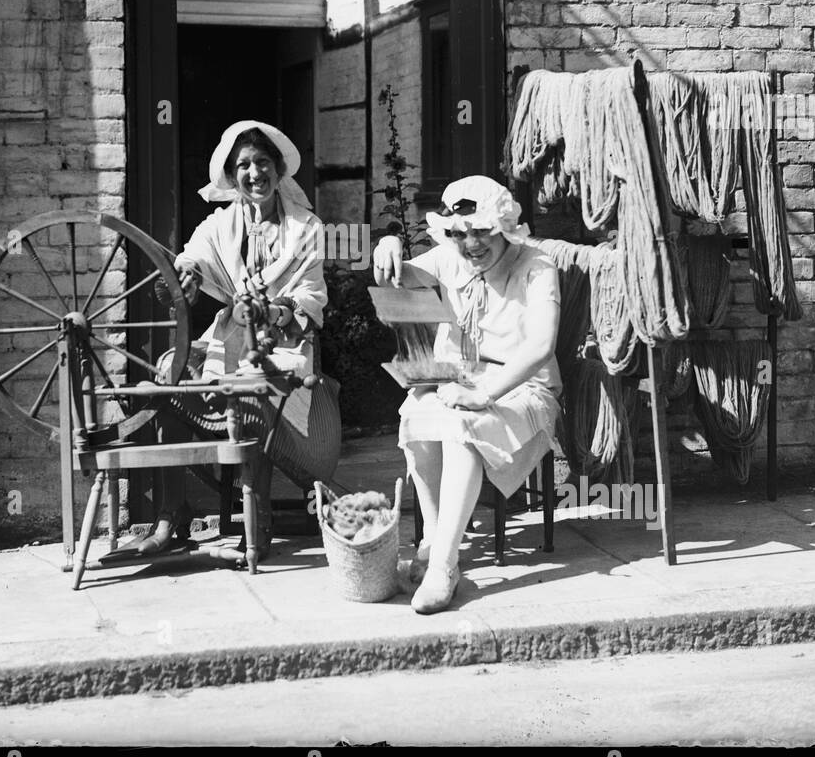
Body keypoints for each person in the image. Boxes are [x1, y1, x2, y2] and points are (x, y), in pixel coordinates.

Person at [124, 119, 328, 557]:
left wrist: (275, 310)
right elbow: (190, 262)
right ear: (233, 177)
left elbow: (311, 296)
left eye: (262, 163)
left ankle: (259, 517)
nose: (254, 174)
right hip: (229, 337)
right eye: (244, 166)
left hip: (283, 342)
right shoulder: (218, 225)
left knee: (259, 390)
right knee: (170, 372)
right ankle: (170, 511)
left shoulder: (306, 228)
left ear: (278, 169)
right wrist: (187, 275)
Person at [372, 175, 561, 613]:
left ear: (504, 227)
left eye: (482, 232)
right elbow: (400, 276)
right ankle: (435, 539)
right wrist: (388, 244)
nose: (471, 244)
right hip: (460, 379)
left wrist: (485, 393)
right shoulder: (450, 256)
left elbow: (540, 347)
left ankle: (442, 567)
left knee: (462, 429)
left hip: (524, 389)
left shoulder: (537, 266)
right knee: (415, 415)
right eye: (459, 233)